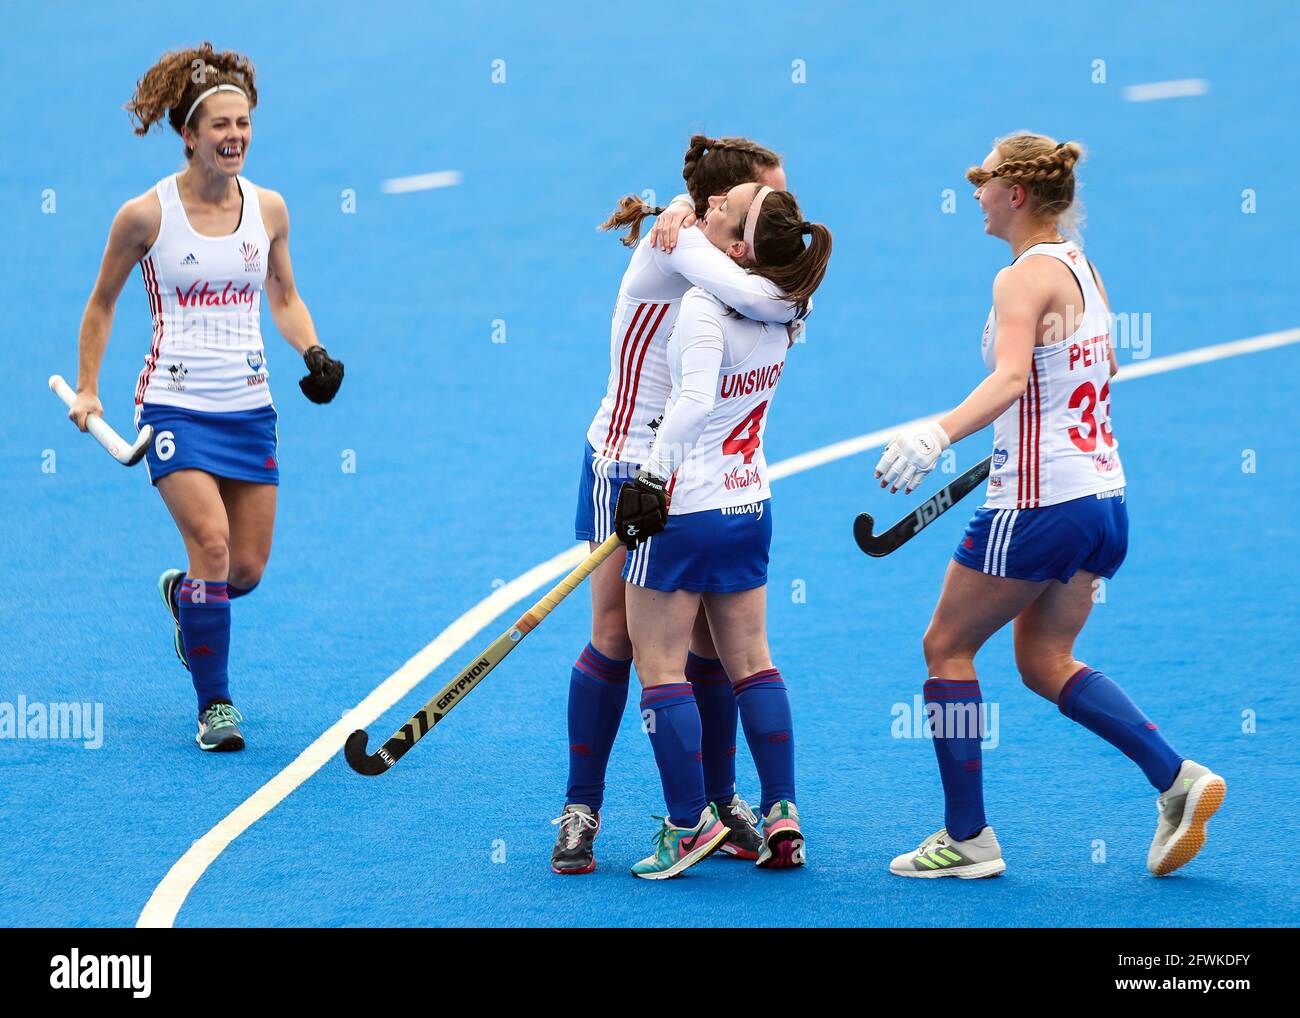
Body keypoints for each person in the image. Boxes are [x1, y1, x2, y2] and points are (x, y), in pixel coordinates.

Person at [875, 132, 1225, 878]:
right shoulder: (1082, 268)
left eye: (986, 183)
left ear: (1018, 195)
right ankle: (1177, 778)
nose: (976, 195)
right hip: (1102, 502)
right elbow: (1102, 368)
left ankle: (967, 839)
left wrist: (939, 433)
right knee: (1043, 659)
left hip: (1037, 505)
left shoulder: (1021, 278)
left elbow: (1008, 380)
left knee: (946, 647)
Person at [67, 42, 343, 751]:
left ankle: (183, 600)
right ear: (189, 135)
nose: (235, 138)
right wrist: (90, 388)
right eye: (220, 126)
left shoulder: (270, 209)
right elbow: (101, 305)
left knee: (243, 571)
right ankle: (215, 706)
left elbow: (284, 295)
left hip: (249, 408)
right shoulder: (145, 217)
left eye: (244, 124)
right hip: (174, 407)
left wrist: (310, 349)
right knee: (213, 547)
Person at [552, 137, 802, 874]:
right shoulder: (680, 248)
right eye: (773, 196)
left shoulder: (715, 241)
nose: (789, 210)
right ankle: (581, 806)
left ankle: (716, 806)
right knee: (616, 638)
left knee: (712, 649)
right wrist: (680, 212)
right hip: (629, 461)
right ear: (725, 202)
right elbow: (762, 297)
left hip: (696, 478)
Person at [613, 182, 832, 879]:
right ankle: (781, 812)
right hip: (749, 505)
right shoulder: (785, 308)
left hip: (687, 508)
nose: (705, 206)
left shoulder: (706, 307)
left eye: (721, 210)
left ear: (738, 248)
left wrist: (649, 479)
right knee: (752, 661)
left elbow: (692, 404)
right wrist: (678, 207)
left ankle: (687, 826)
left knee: (660, 667)